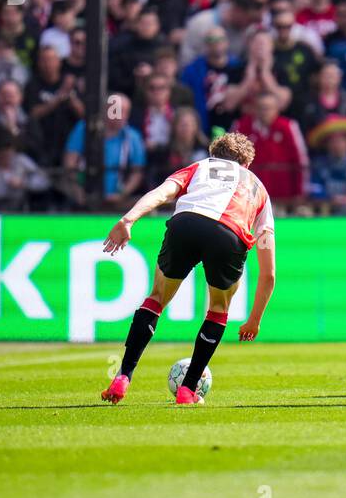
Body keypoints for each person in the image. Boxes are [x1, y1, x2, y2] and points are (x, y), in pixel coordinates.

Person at [100, 131, 276, 407]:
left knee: (156, 300)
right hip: (228, 235)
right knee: (218, 309)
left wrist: (129, 219)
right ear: (247, 164)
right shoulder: (258, 188)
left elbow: (162, 193)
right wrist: (255, 319)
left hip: (186, 223)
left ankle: (123, 376)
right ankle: (188, 390)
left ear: (213, 154)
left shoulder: (200, 167)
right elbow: (269, 273)